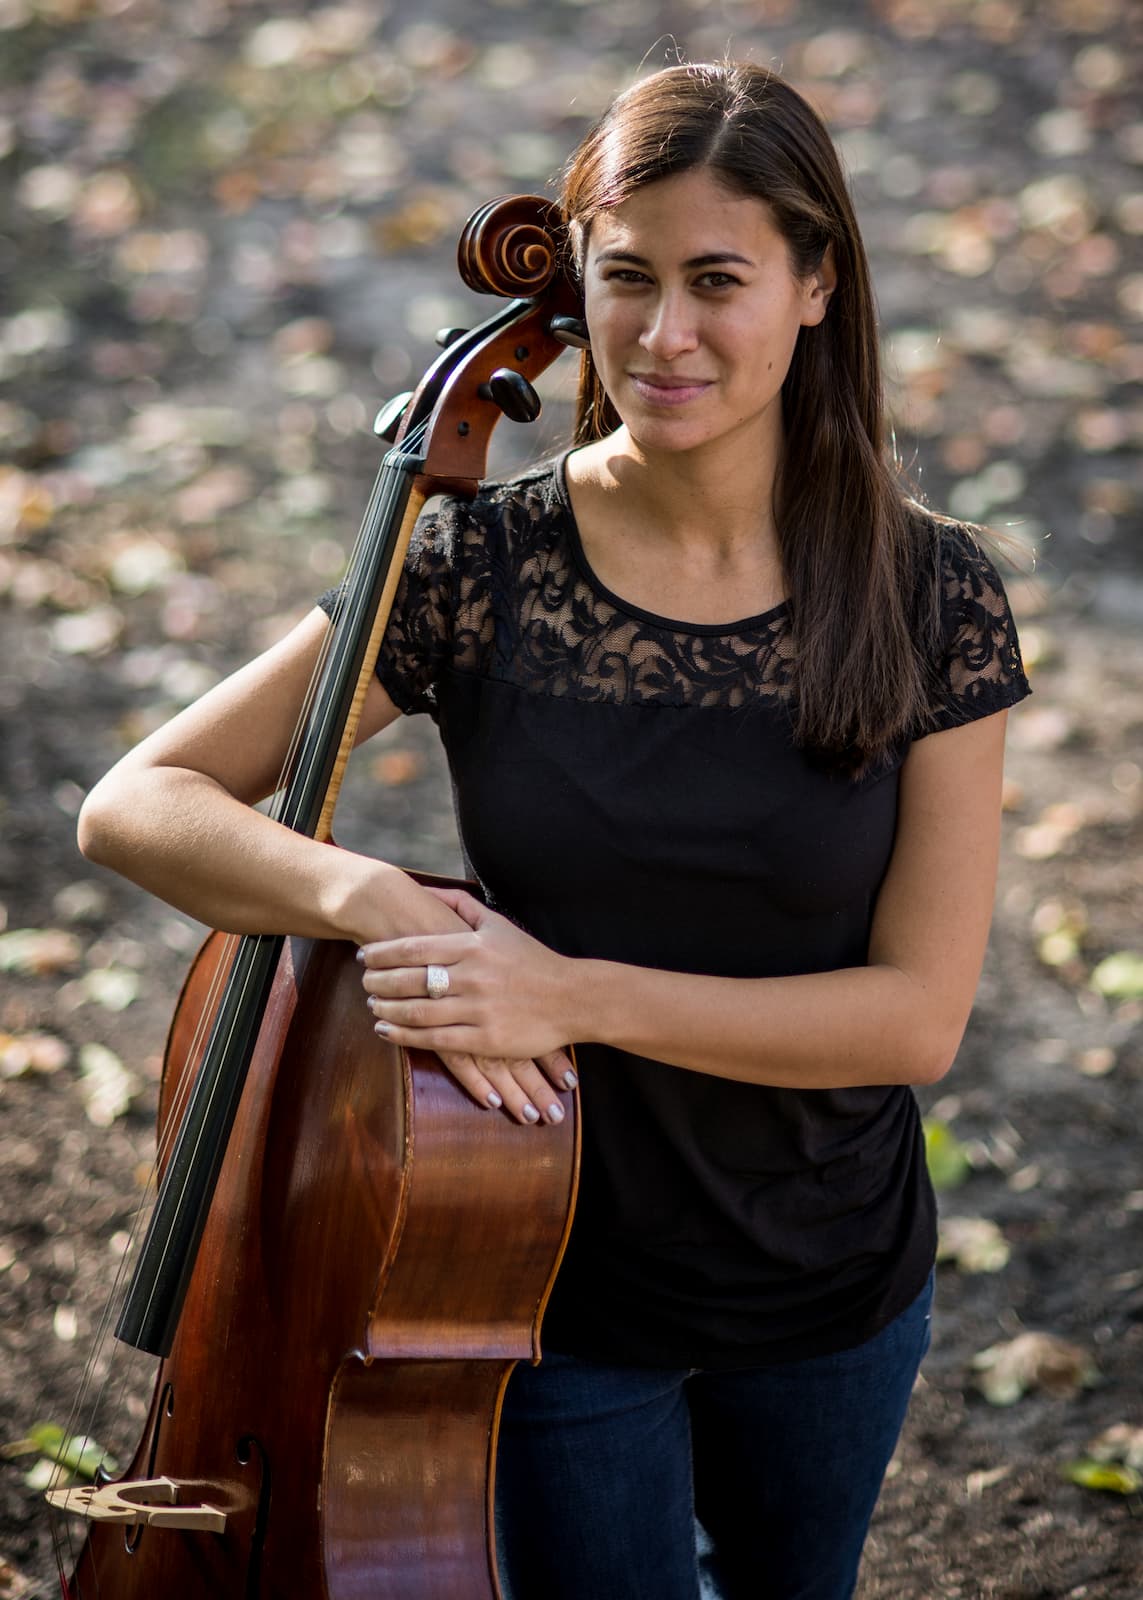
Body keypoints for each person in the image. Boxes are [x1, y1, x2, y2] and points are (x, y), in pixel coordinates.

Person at [78, 59, 1030, 1600]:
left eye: (718, 280)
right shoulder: (476, 566)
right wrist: (378, 902)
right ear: (574, 280)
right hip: (536, 1290)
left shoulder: (934, 592)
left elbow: (914, 1019)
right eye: (627, 277)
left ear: (815, 285)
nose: (665, 333)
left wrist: (569, 994)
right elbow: (137, 805)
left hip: (831, 1283)